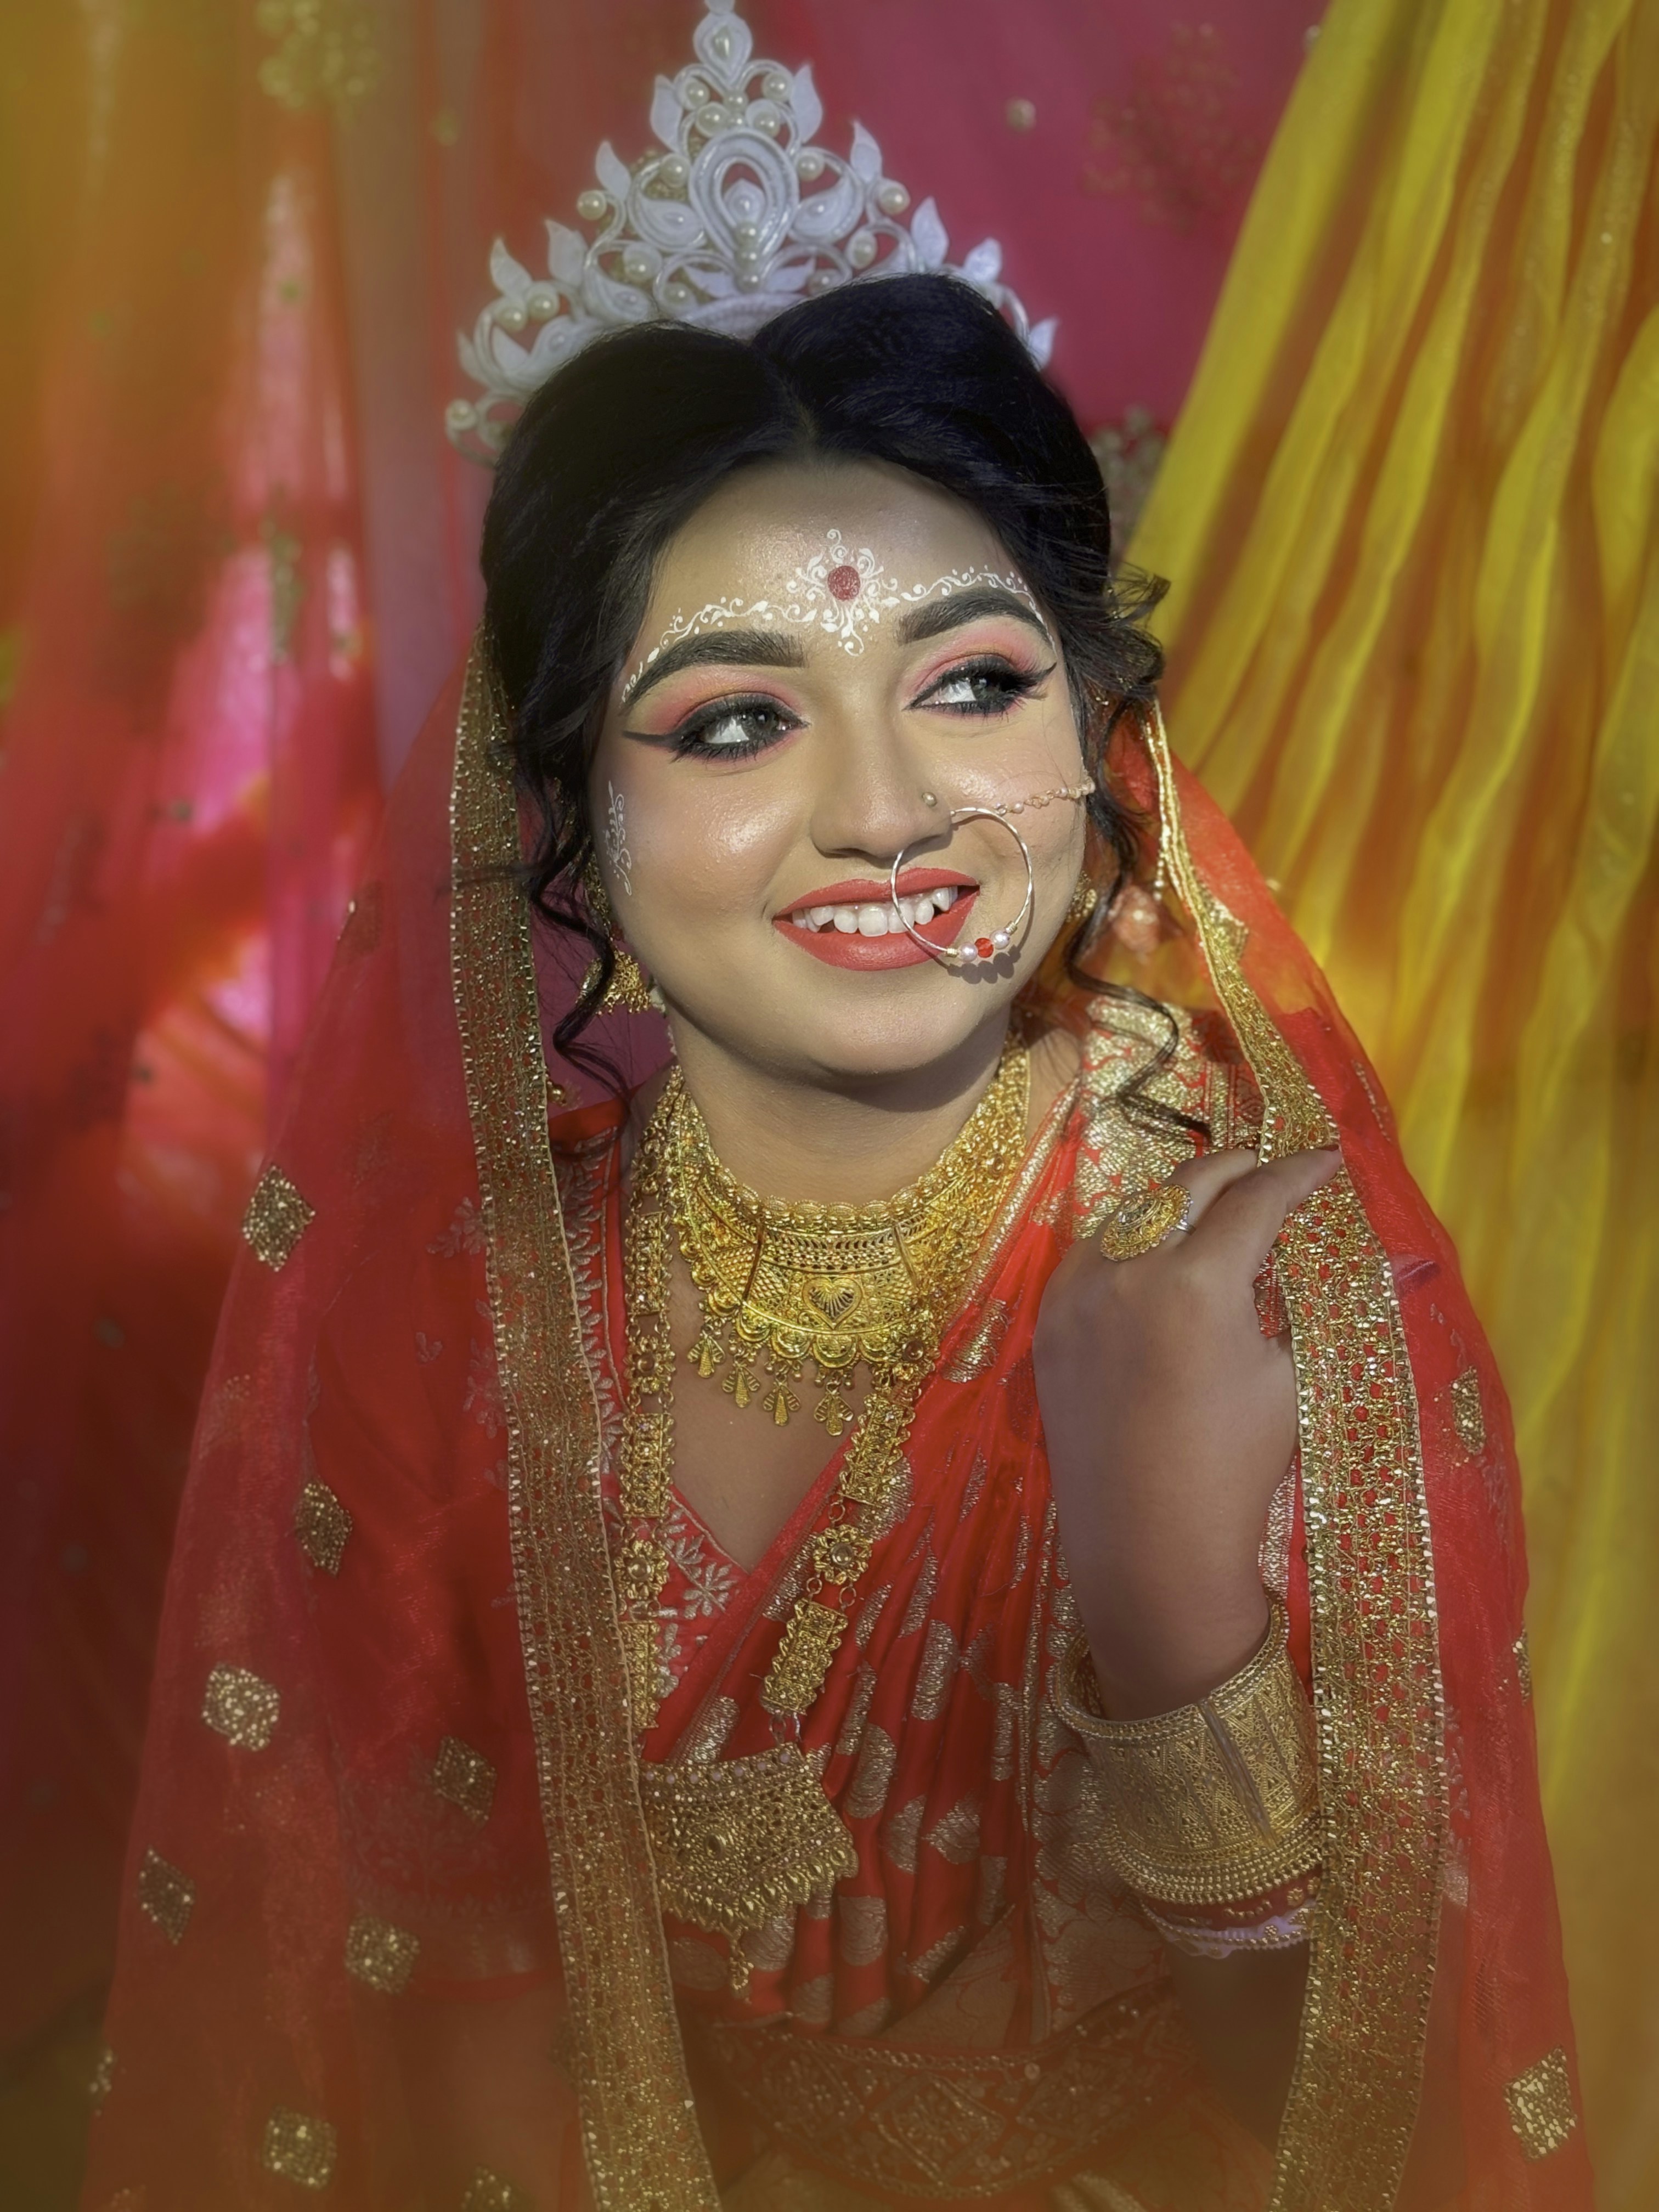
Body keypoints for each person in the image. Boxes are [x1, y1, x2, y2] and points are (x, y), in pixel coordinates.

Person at [82, 274, 1585, 2212]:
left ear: (1104, 744)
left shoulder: (1273, 1286)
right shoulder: (472, 1319)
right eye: (735, 722)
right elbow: (432, 2030)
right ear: (572, 812)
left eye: (974, 685)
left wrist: (1166, 1603)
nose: (887, 813)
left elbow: (1389, 2121)